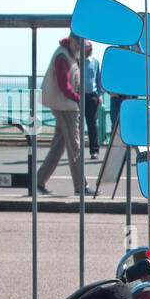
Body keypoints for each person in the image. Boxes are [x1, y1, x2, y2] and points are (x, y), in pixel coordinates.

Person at [37, 35, 86, 194]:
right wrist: (79, 99)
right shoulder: (63, 56)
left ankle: (38, 181)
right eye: (79, 44)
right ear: (72, 41)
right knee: (75, 146)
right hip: (65, 106)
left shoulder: (67, 54)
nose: (80, 48)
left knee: (58, 146)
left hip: (63, 104)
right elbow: (64, 85)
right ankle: (81, 186)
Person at [83, 44, 101, 158]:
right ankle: (77, 150)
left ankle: (94, 150)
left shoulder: (95, 62)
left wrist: (99, 95)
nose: (91, 49)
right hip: (78, 96)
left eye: (91, 47)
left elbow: (99, 79)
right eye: (88, 46)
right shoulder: (77, 61)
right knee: (76, 125)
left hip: (92, 96)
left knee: (92, 124)